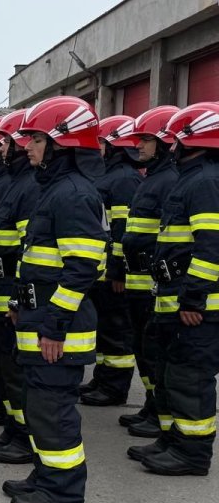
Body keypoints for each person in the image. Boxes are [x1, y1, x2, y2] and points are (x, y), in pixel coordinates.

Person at [5, 96, 107, 503]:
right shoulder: (56, 190)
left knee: (53, 410)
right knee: (38, 406)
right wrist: (19, 301)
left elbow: (82, 269)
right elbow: (38, 261)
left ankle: (63, 492)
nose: (27, 146)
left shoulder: (73, 194)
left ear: (62, 143)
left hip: (58, 329)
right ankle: (46, 474)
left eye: (36, 139)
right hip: (41, 318)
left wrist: (54, 325)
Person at [135, 102, 219, 477]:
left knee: (190, 379)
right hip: (176, 298)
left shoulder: (205, 182)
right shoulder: (192, 178)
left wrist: (194, 298)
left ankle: (193, 453)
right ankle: (173, 440)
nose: (171, 146)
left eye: (175, 140)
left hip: (197, 306)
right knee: (171, 373)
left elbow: (211, 247)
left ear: (192, 140)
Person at [0, 110, 42, 465]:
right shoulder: (15, 183)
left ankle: (24, 435)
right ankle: (13, 427)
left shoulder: (29, 187)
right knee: (4, 364)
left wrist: (17, 298)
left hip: (12, 293)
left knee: (16, 369)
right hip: (0, 287)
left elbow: (27, 251)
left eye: (2, 143)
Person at [118, 106, 180, 439]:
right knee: (143, 348)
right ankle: (152, 405)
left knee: (155, 351)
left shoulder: (169, 180)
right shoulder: (152, 178)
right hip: (138, 279)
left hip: (152, 284)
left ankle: (161, 412)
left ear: (165, 143)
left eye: (146, 139)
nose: (138, 146)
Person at [79, 116, 144, 407]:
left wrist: (118, 271)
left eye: (102, 143)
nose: (98, 148)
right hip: (103, 269)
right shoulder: (110, 175)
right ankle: (103, 378)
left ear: (116, 145)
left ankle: (115, 386)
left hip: (114, 272)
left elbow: (122, 229)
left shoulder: (125, 179)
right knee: (105, 327)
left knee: (117, 330)